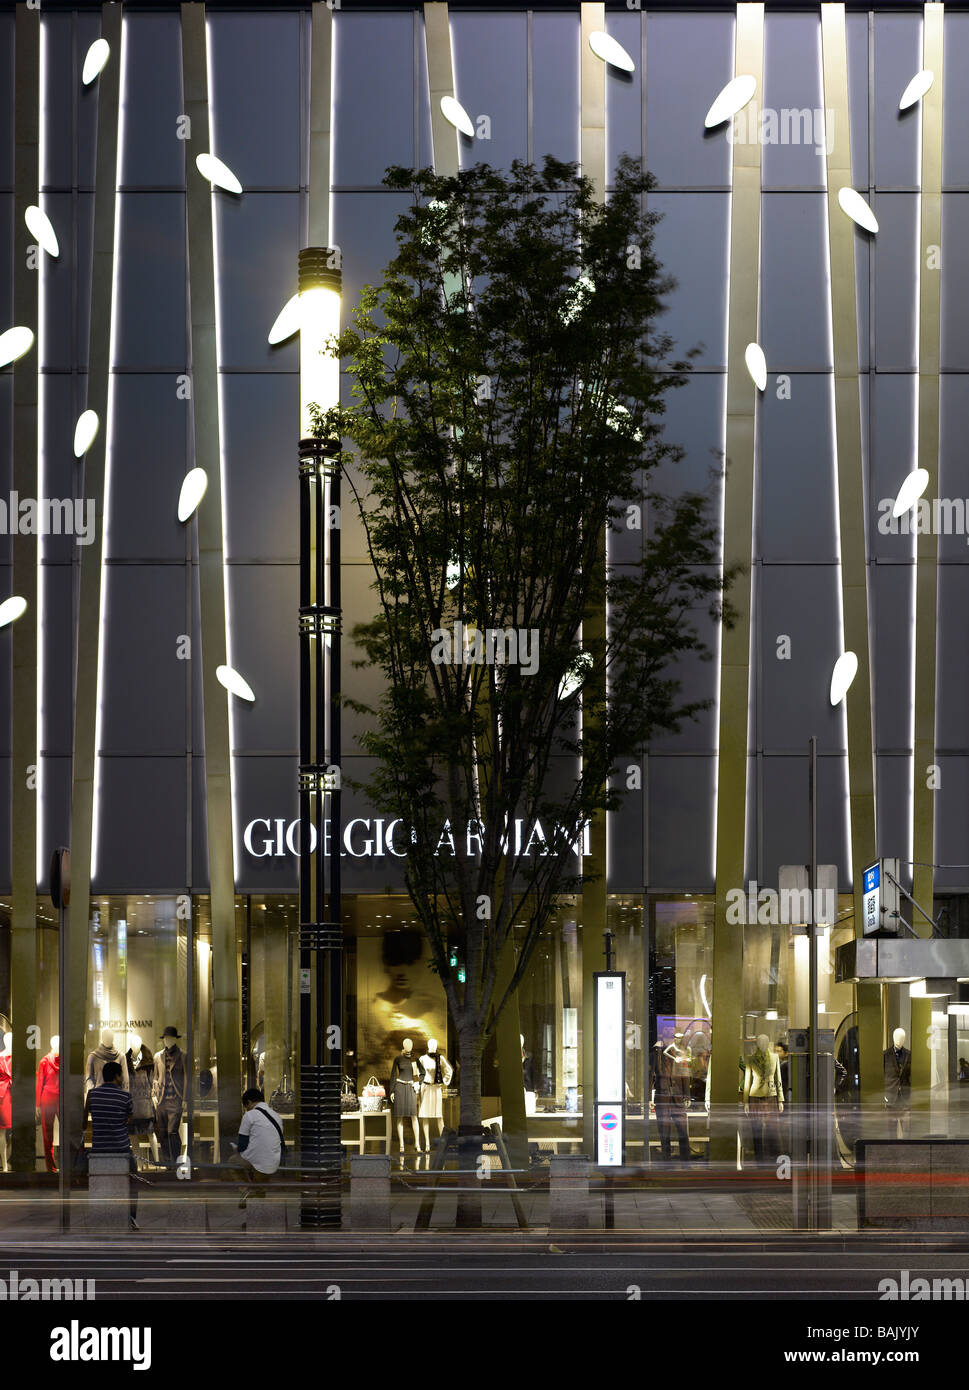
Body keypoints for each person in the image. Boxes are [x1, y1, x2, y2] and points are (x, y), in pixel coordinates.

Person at [83, 1059, 139, 1229]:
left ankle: (100, 1215)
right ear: (116, 1076)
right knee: (134, 1181)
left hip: (99, 1150)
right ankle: (131, 1217)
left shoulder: (92, 1095)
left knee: (99, 1184)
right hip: (120, 1150)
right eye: (121, 1075)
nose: (122, 1078)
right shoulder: (125, 1096)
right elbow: (128, 1120)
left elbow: (84, 1123)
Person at [235, 1088, 283, 1208]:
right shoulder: (276, 1115)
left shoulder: (249, 1115)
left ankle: (246, 1189)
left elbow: (242, 1144)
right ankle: (256, 1210)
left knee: (232, 1162)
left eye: (246, 1106)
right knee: (259, 1189)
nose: (247, 1109)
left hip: (257, 1163)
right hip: (274, 1161)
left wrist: (237, 1149)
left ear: (249, 1102)